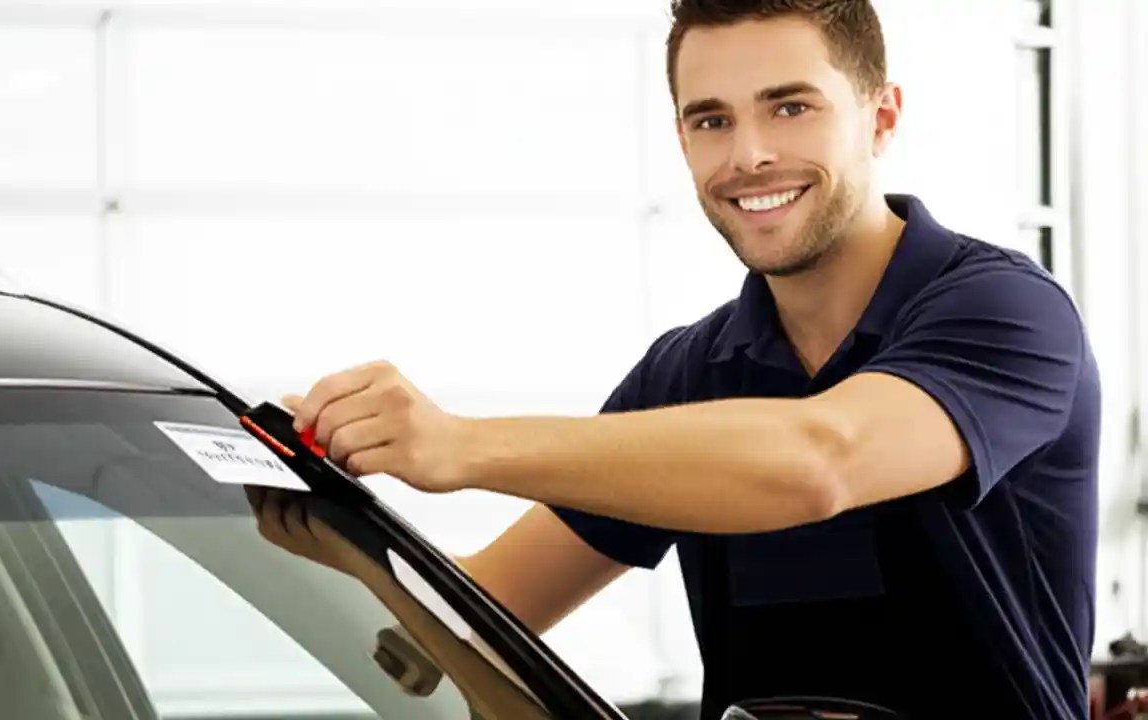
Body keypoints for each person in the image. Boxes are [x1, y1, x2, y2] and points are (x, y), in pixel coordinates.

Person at [254, 0, 1101, 717]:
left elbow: (816, 461)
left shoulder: (1006, 312)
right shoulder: (691, 373)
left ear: (881, 116)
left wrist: (459, 446)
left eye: (791, 106)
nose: (748, 155)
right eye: (712, 119)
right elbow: (468, 629)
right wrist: (322, 522)